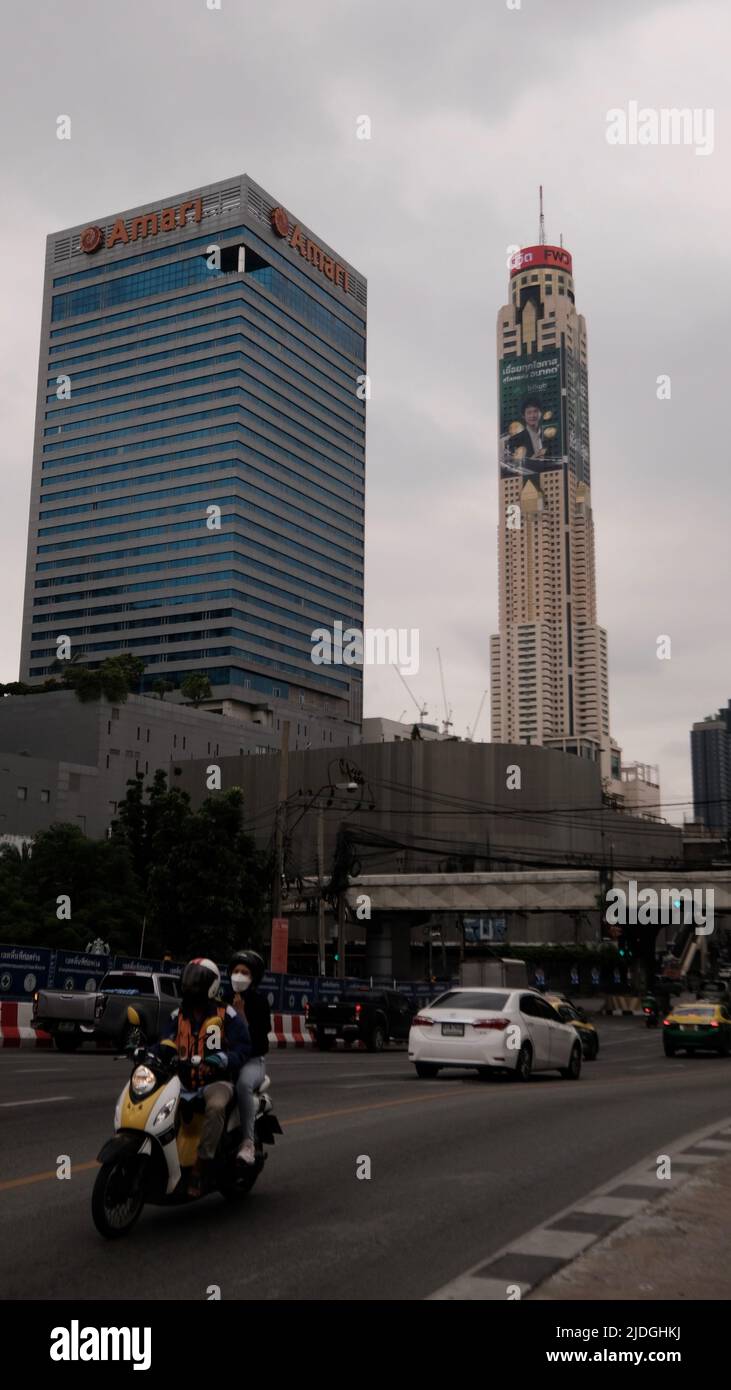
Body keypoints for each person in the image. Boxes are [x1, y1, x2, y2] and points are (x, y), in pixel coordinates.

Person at [157, 956, 251, 1197]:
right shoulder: (178, 1015)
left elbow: (243, 1047)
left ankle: (201, 1166)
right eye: (189, 979)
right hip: (182, 1081)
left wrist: (225, 1059)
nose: (191, 986)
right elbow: (164, 1042)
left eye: (196, 981)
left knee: (216, 1107)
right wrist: (146, 1052)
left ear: (211, 985)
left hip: (215, 1081)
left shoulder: (225, 1013)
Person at [229, 950, 272, 1166]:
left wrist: (241, 1014)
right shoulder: (222, 999)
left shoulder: (259, 1002)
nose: (238, 976)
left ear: (253, 977)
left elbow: (257, 1038)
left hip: (252, 1062)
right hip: (226, 1060)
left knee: (243, 1084)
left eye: (244, 972)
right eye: (235, 971)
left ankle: (247, 1143)